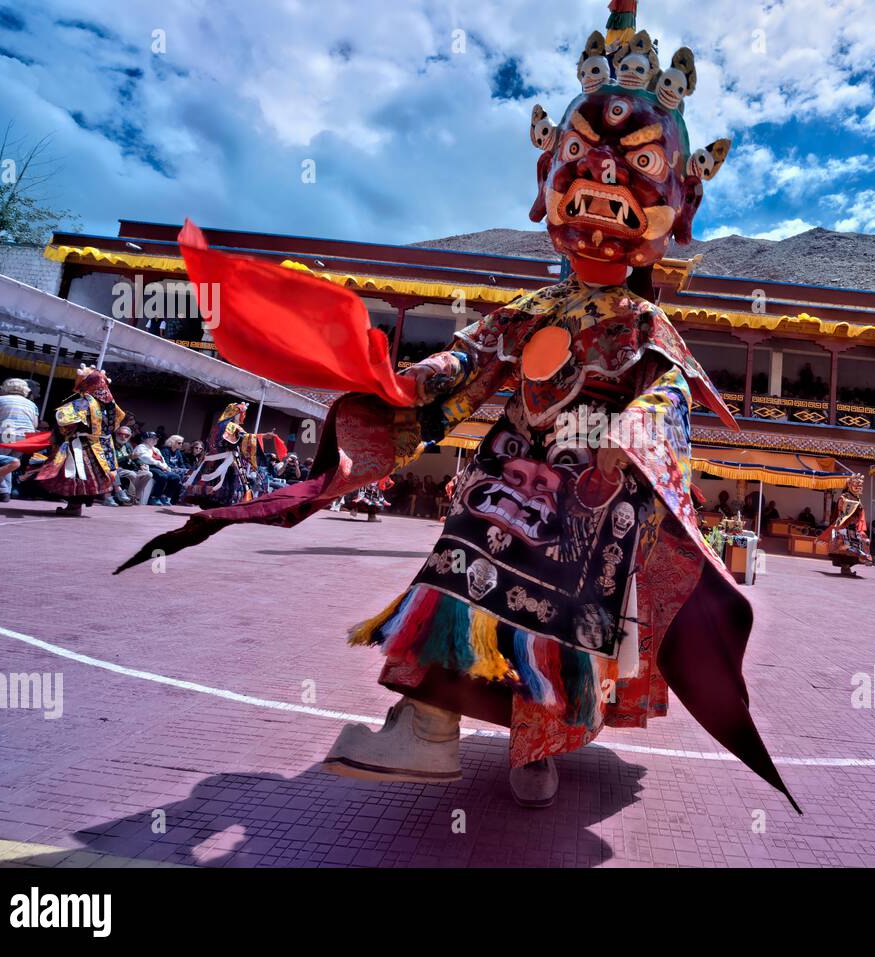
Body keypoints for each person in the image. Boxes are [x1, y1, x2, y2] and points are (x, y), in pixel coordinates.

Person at [117, 1, 797, 814]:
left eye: (638, 162)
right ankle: (429, 725)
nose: (603, 182)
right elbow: (467, 358)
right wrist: (406, 380)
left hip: (594, 495)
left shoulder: (645, 321)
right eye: (580, 157)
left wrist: (634, 431)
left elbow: (670, 390)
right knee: (456, 570)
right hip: (507, 472)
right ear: (546, 183)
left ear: (678, 203)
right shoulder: (532, 311)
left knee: (556, 627)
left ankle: (534, 744)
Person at [27, 367, 124, 516]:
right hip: (101, 446)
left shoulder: (85, 402)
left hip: (82, 444)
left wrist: (63, 432)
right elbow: (116, 421)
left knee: (77, 475)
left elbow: (65, 421)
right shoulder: (111, 404)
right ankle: (76, 506)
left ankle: (74, 506)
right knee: (88, 476)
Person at [182, 402, 273, 508]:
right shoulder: (231, 426)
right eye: (241, 413)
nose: (243, 416)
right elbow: (244, 438)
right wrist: (263, 436)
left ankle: (207, 503)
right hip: (226, 460)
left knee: (209, 482)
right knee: (226, 483)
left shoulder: (218, 425)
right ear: (234, 413)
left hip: (213, 458)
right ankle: (218, 505)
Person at [0, 378, 39, 502]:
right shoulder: (32, 404)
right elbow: (35, 424)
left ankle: (2, 491)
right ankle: (5, 491)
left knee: (1, 462)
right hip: (26, 435)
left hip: (7, 431)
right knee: (12, 462)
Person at [819, 473, 871, 575]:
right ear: (849, 485)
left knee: (861, 542)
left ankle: (848, 567)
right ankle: (845, 567)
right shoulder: (843, 497)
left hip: (854, 527)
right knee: (844, 545)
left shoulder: (858, 499)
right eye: (856, 483)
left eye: (860, 484)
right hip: (844, 524)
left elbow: (859, 513)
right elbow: (841, 510)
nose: (859, 486)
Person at [133, 431, 182, 505]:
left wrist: (166, 467)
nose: (156, 440)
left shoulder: (155, 449)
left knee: (175, 477)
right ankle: (154, 497)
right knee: (162, 476)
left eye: (156, 438)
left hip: (159, 468)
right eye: (153, 438)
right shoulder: (141, 447)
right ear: (146, 439)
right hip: (148, 467)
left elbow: (162, 460)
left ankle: (165, 496)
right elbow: (146, 459)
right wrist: (160, 465)